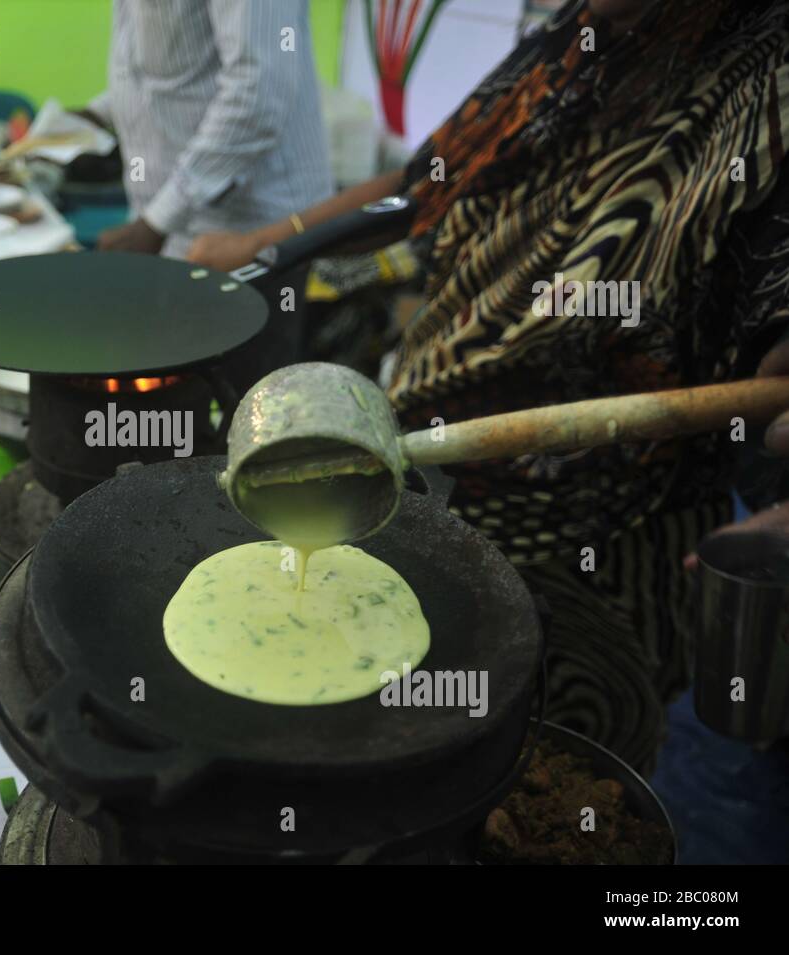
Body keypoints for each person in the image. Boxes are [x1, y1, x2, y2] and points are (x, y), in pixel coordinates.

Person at [190, 0, 789, 772]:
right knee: (405, 729)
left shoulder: (765, 90)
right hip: (434, 475)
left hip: (598, 542)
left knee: (539, 764)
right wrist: (261, 244)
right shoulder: (588, 35)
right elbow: (426, 183)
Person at [87, 0, 333, 261]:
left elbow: (257, 96)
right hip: (169, 226)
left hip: (252, 236)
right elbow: (164, 71)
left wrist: (157, 221)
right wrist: (95, 115)